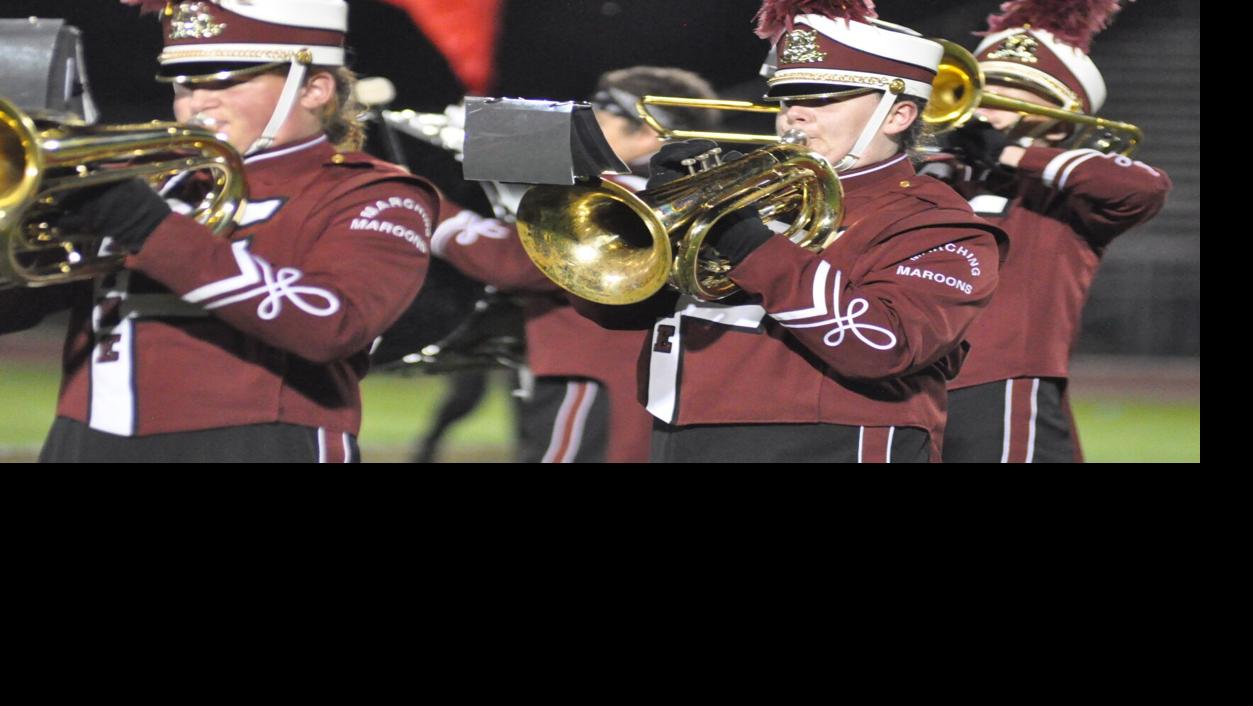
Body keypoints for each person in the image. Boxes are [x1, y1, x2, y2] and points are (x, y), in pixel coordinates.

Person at [551, 0, 1005, 463]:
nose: (795, 115)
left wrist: (746, 242)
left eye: (822, 99)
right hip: (685, 432)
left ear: (897, 116)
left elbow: (882, 346)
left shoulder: (935, 222)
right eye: (787, 99)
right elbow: (612, 307)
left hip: (831, 445)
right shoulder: (759, 198)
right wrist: (659, 220)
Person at [0, 0, 436, 462]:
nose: (199, 101)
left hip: (260, 444)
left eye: (226, 80)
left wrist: (147, 225)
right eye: (185, 84)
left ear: (314, 89)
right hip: (85, 438)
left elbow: (331, 326)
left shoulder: (375, 194)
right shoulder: (150, 177)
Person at [426, 67, 723, 463]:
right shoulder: (680, 196)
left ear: (649, 134)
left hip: (594, 373)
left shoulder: (620, 197)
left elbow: (515, 263)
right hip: (645, 375)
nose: (582, 128)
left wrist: (431, 210)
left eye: (602, 114)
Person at [935, 0, 1171, 463]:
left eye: (1017, 87)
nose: (992, 98)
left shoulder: (1067, 195)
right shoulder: (940, 173)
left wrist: (1012, 155)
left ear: (1063, 117)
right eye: (986, 84)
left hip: (999, 380)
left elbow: (1145, 188)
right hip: (907, 380)